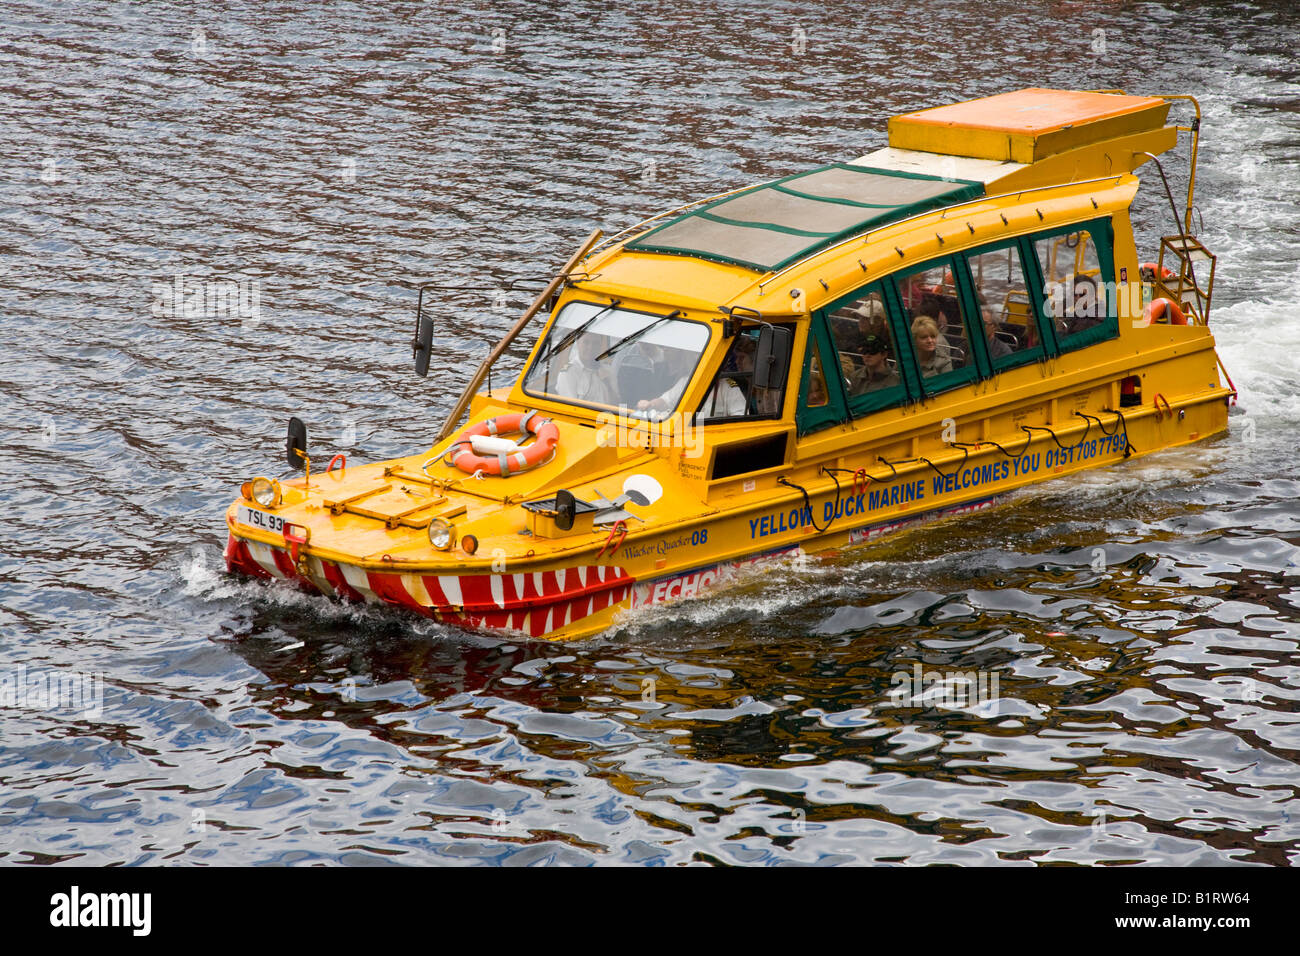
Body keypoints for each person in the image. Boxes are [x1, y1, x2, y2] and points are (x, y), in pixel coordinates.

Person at [554, 333, 615, 404]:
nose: (590, 348)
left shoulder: (608, 370)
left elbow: (618, 403)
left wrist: (607, 383)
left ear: (600, 346)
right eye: (586, 342)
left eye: (595, 343)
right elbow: (570, 408)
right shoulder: (568, 373)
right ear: (578, 343)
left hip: (608, 414)